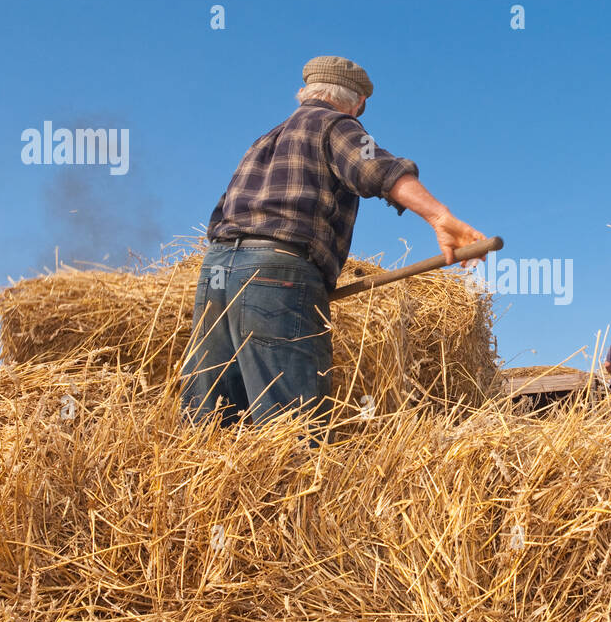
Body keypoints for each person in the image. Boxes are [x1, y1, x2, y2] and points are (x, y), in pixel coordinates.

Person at [179, 55, 484, 437]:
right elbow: (379, 169)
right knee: (291, 429)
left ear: (304, 91)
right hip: (280, 270)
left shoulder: (264, 140)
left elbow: (220, 213)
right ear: (357, 102)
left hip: (218, 272)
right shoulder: (337, 125)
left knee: (210, 421)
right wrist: (440, 217)